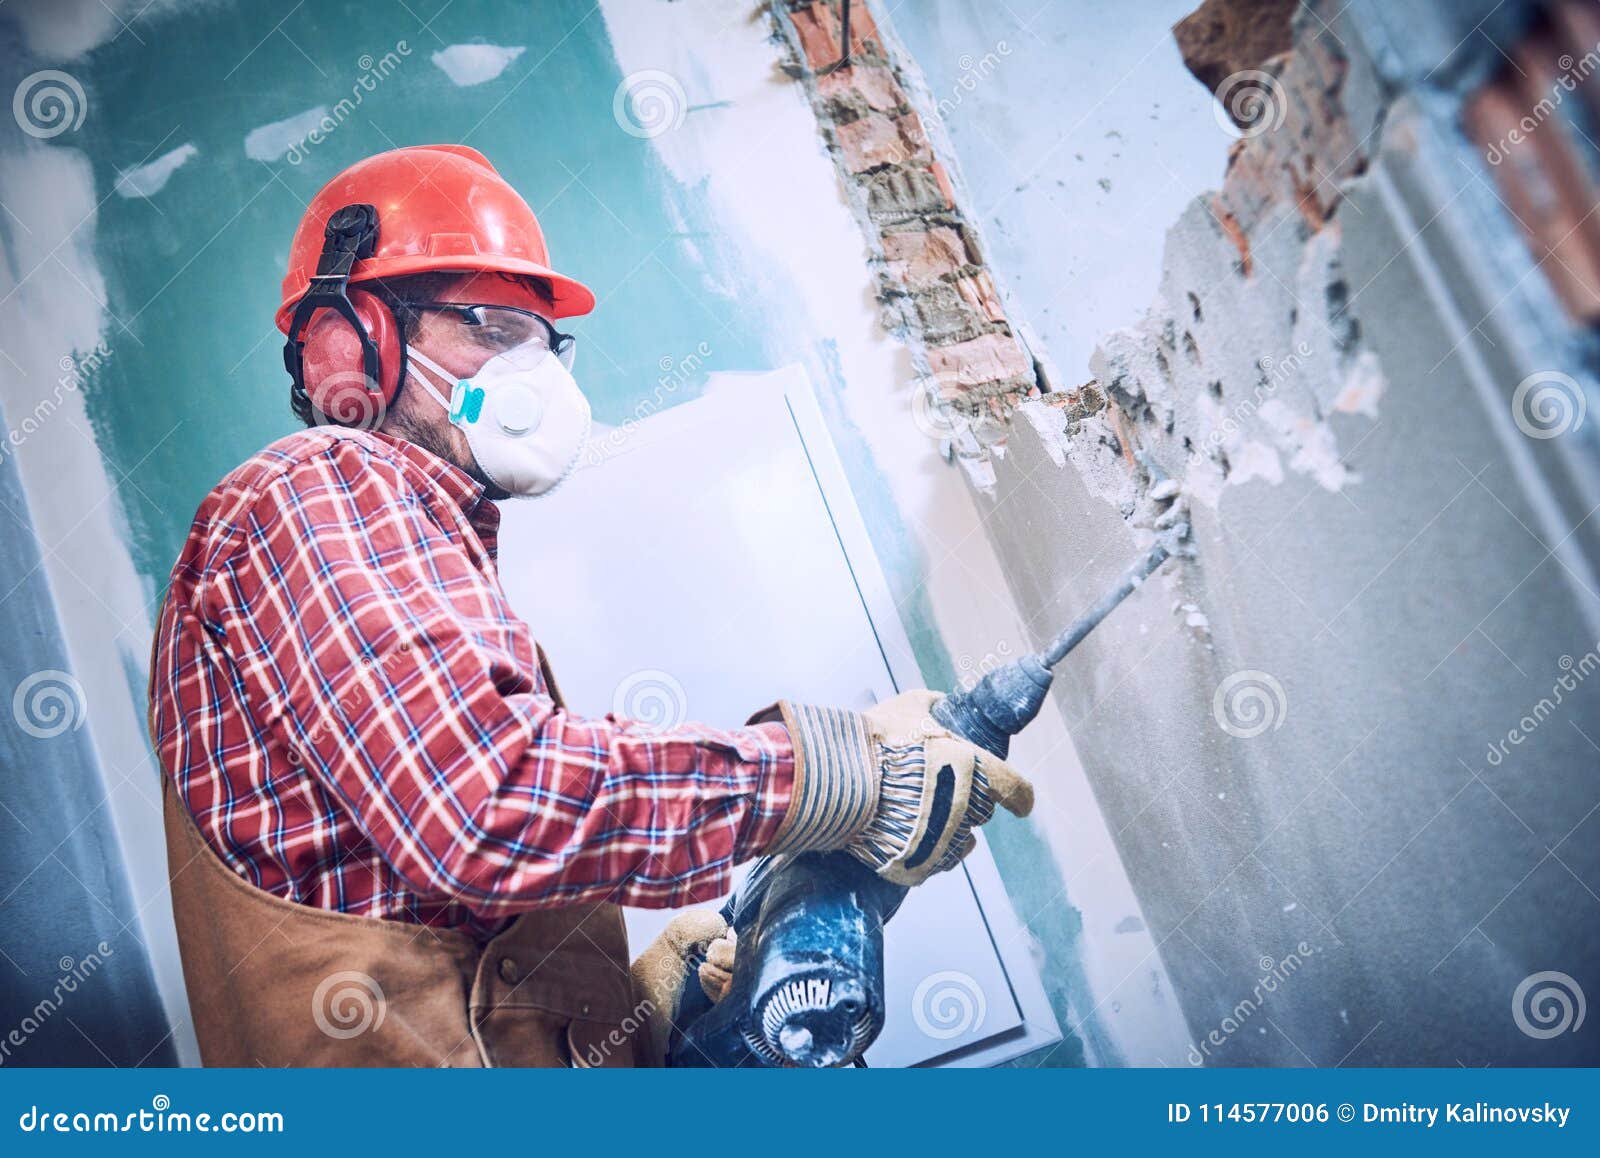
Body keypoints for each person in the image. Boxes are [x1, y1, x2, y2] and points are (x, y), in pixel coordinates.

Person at [145, 144, 1033, 1068]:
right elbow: (486, 802)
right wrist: (829, 777)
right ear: (351, 341)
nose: (533, 370)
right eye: (489, 325)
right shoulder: (320, 485)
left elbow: (440, 917)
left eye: (542, 339)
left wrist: (618, 1015)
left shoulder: (411, 545)